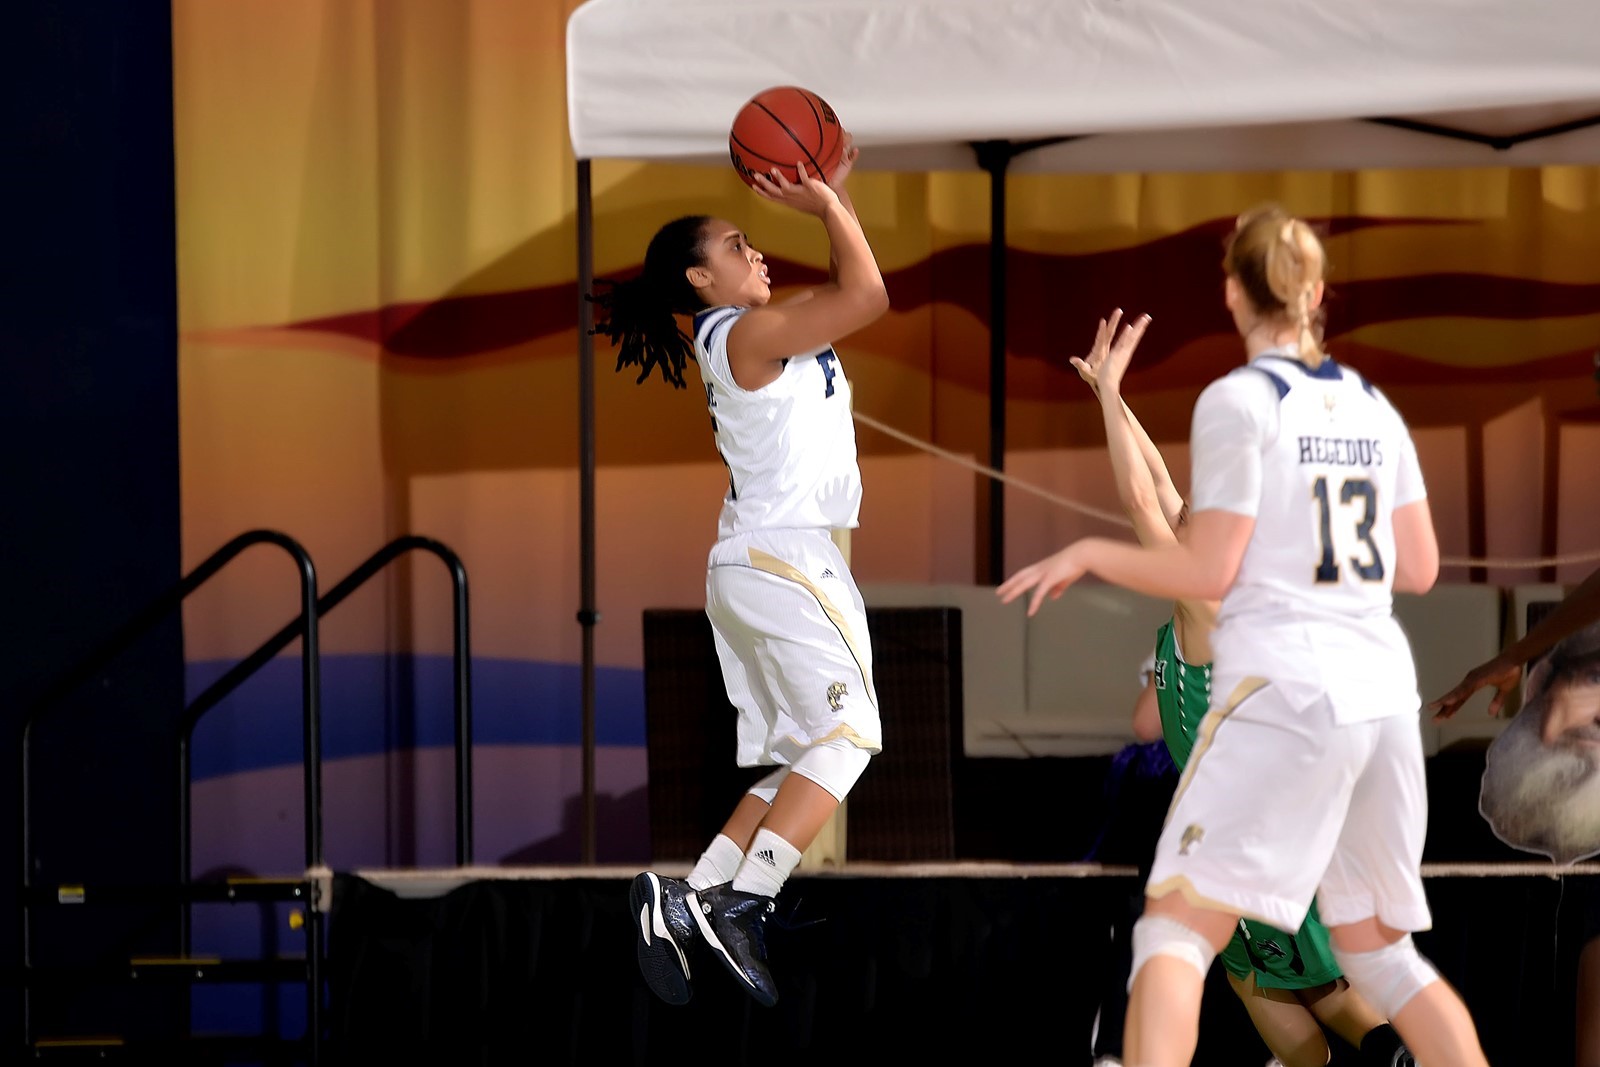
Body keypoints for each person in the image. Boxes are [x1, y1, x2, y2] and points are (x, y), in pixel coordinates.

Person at [998, 204, 1489, 1067]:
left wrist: (1091, 542)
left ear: (1233, 291)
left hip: (1281, 737)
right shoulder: (1369, 406)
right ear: (1321, 289)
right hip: (1376, 704)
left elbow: (1153, 516)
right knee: (1372, 965)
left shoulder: (1217, 583)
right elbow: (1417, 565)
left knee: (1170, 940)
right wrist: (1113, 399)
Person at [591, 137, 888, 1010]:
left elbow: (844, 289)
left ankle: (692, 896)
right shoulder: (747, 333)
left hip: (761, 562)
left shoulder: (742, 330)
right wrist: (829, 204)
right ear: (698, 280)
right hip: (783, 557)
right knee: (846, 739)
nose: (754, 250)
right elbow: (867, 293)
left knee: (801, 755)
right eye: (733, 246)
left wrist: (836, 191)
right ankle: (746, 898)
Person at [1076, 309, 1413, 1067]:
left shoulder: (1206, 602)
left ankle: (1395, 1051)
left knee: (1297, 985)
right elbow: (1156, 483)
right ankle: (1394, 1053)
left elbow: (1138, 503)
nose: (1189, 499)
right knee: (1288, 990)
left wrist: (1106, 399)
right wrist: (1112, 392)